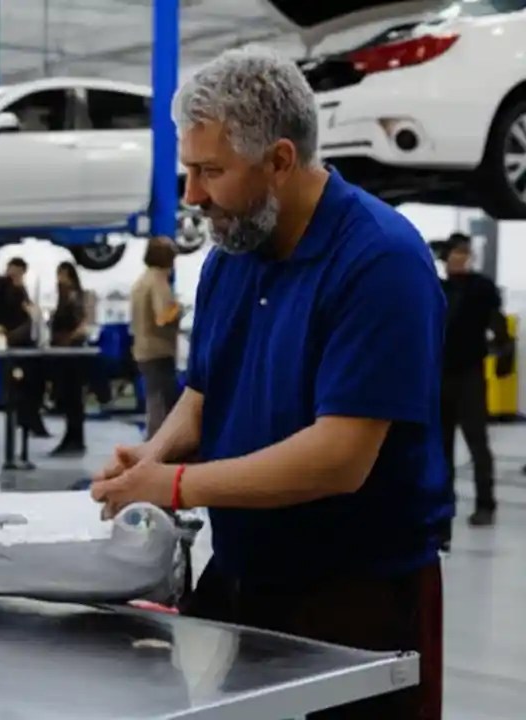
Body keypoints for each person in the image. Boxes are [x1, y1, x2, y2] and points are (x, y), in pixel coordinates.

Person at [90, 48, 447, 719]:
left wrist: (174, 486)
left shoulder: (379, 261)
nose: (192, 195)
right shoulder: (233, 257)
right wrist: (156, 453)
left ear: (280, 161)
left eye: (211, 172)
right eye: (189, 171)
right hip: (246, 579)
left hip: (358, 599)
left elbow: (340, 458)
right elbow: (203, 394)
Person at [439, 232, 511, 533]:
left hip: (470, 374)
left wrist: (504, 359)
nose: (459, 257)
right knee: (440, 445)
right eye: (454, 252)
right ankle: (442, 500)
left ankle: (485, 504)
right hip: (440, 374)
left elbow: (499, 327)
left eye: (464, 252)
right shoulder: (436, 288)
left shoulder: (482, 288)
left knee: (477, 442)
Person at [0, 257, 48, 436]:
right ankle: (27, 419)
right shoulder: (2, 287)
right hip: (15, 340)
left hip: (21, 340)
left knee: (24, 383)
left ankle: (25, 419)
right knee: (22, 383)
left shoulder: (18, 289)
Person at [129, 236, 182, 438]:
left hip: (143, 350)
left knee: (154, 403)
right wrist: (179, 309)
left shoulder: (142, 280)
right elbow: (163, 316)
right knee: (162, 408)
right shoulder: (158, 280)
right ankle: (159, 452)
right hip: (159, 351)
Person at [49, 261, 89, 456]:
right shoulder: (65, 297)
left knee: (72, 396)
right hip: (66, 352)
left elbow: (81, 325)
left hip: (70, 352)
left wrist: (67, 340)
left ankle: (74, 437)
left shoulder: (71, 297)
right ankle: (73, 436)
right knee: (71, 397)